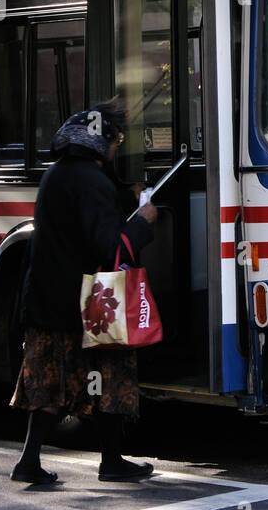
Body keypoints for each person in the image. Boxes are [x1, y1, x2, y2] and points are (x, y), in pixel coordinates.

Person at [10, 100, 159, 485]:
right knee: (111, 375)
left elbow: (80, 215)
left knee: (47, 382)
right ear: (99, 145)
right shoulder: (92, 181)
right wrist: (142, 223)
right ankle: (111, 460)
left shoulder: (57, 174)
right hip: (85, 304)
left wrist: (125, 196)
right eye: (115, 140)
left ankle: (29, 459)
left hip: (45, 300)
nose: (116, 147)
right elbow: (107, 249)